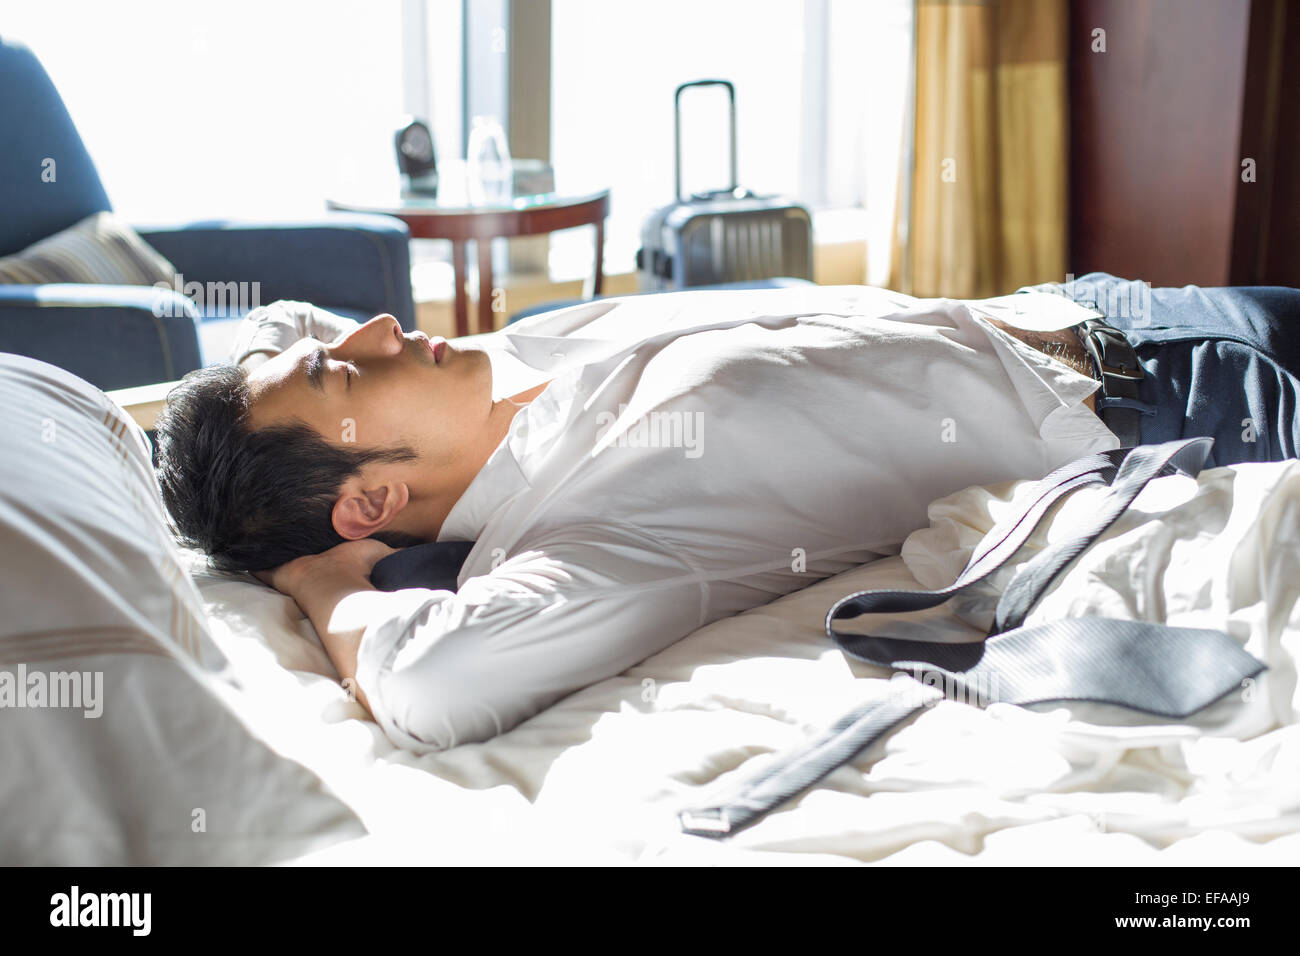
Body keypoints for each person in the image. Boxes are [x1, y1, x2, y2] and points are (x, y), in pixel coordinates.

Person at [151, 277, 1299, 754]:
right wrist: (317, 574)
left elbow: (276, 330)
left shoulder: (507, 367)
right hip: (1201, 404)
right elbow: (427, 681)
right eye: (345, 374)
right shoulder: (600, 527)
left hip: (1115, 303)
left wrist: (261, 402)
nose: (376, 330)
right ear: (370, 501)